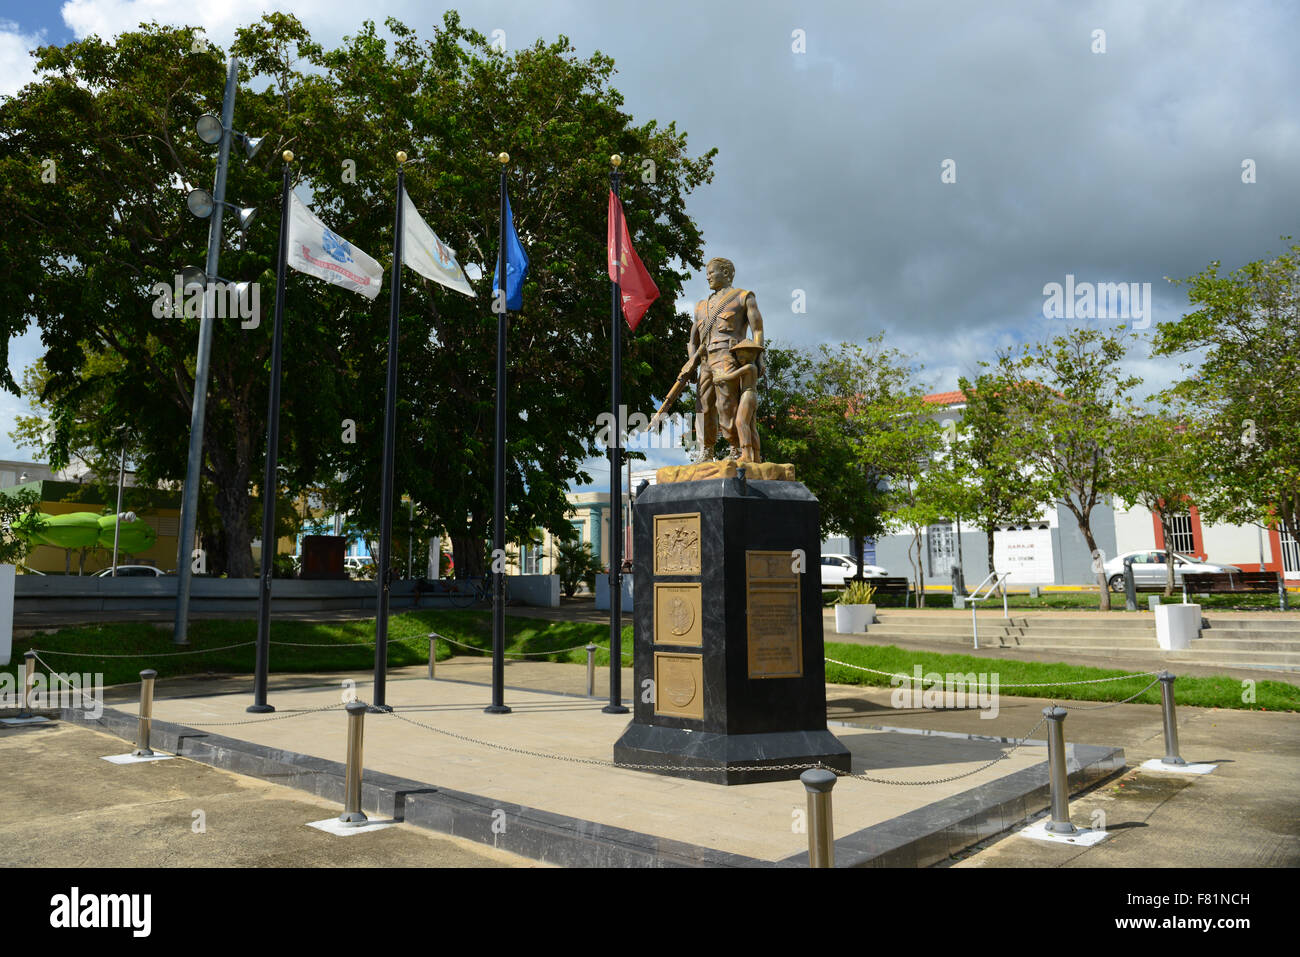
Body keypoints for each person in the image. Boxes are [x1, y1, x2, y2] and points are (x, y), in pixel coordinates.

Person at [683, 257, 765, 460]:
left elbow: (758, 329)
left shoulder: (743, 297)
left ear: (727, 273)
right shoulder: (701, 306)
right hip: (705, 360)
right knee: (703, 406)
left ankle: (736, 448)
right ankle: (706, 450)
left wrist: (758, 358)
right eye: (707, 273)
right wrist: (691, 362)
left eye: (712, 272)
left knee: (726, 403)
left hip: (728, 355)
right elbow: (692, 340)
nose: (708, 276)